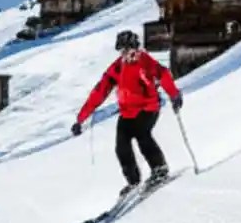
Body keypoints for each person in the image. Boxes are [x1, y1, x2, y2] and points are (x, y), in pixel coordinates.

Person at [72, 29, 183, 196]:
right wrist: (80, 119)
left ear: (136, 48)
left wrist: (174, 94)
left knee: (142, 135)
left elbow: (163, 74)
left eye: (128, 50)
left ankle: (159, 169)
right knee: (121, 147)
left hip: (148, 107)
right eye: (122, 51)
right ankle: (133, 182)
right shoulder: (117, 68)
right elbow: (100, 91)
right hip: (127, 112)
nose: (126, 54)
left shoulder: (145, 61)